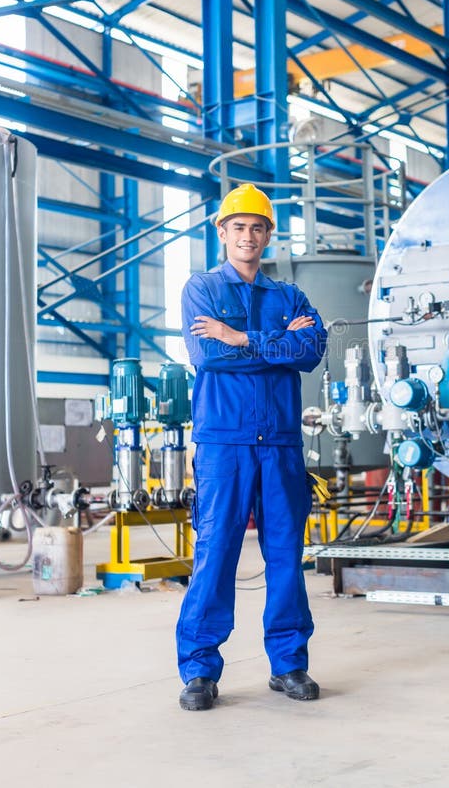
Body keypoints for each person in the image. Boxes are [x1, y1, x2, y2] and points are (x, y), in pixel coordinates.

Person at [176, 182, 327, 711]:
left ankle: (289, 664)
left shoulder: (288, 297)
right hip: (225, 443)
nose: (248, 235)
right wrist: (276, 344)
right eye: (238, 226)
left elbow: (311, 349)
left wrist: (242, 338)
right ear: (222, 232)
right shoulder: (201, 289)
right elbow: (207, 357)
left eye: (257, 227)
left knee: (285, 555)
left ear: (268, 236)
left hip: (281, 444)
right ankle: (198, 670)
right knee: (215, 553)